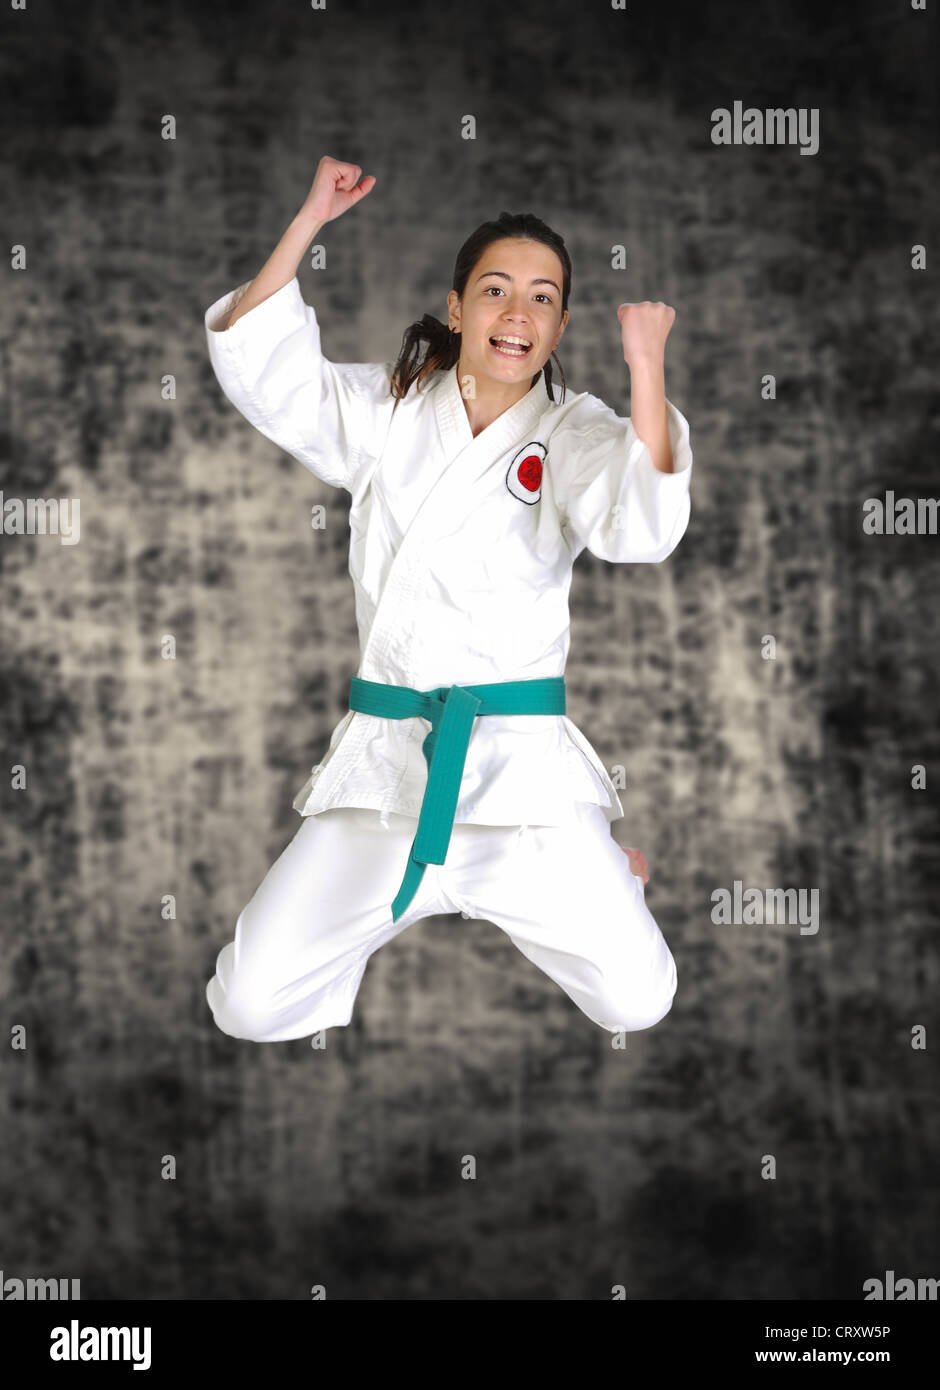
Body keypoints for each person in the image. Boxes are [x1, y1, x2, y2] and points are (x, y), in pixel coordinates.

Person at [203, 156, 693, 1042]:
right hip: (393, 771)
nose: (518, 313)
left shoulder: (571, 429)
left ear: (561, 325)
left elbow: (640, 527)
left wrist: (646, 365)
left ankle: (594, 858)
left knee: (639, 999)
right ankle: (522, 871)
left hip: (520, 784)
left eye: (543, 298)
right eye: (497, 290)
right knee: (247, 1004)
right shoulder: (390, 409)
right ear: (459, 306)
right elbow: (268, 373)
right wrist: (311, 218)